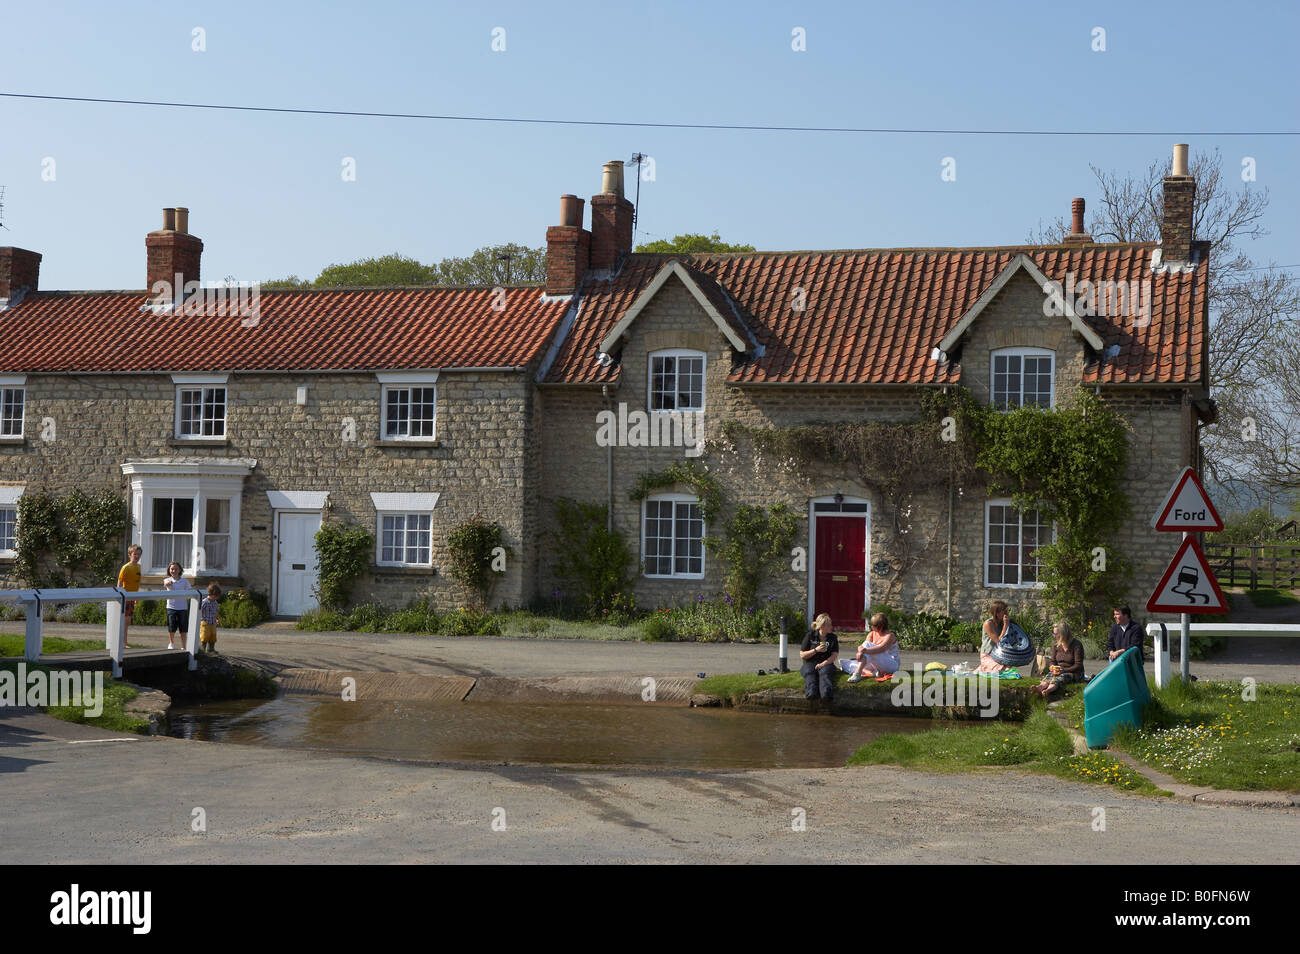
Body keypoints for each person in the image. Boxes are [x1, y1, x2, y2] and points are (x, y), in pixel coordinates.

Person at [1030, 621, 1085, 697]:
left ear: (1063, 634)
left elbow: (1078, 665)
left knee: (1061, 677)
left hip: (1075, 672)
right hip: (1059, 670)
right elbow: (1052, 661)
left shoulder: (1076, 645)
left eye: (1056, 634)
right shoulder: (1056, 644)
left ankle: (1047, 691)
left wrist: (1063, 670)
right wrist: (1052, 666)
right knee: (1049, 676)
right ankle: (1040, 687)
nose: (1054, 636)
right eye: (1053, 633)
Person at [846, 612, 900, 682]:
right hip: (876, 664)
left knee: (867, 647)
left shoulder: (890, 635)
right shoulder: (871, 634)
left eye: (873, 625)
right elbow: (863, 646)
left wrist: (863, 651)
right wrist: (860, 651)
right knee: (847, 663)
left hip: (891, 664)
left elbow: (881, 649)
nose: (871, 626)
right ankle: (874, 673)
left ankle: (857, 673)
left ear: (880, 626)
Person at [800, 613, 840, 705]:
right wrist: (815, 650)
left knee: (825, 672)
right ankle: (811, 694)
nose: (831, 627)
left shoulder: (832, 637)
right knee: (809, 672)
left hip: (826, 662)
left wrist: (824, 663)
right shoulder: (810, 635)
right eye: (829, 625)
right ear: (822, 626)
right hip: (810, 662)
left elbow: (834, 655)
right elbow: (802, 655)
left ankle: (826, 696)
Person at [116, 544, 143, 649]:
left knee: (128, 621)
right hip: (125, 597)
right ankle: (123, 642)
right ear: (129, 555)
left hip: (132, 597)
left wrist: (136, 596)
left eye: (139, 555)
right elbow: (119, 582)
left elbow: (137, 583)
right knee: (125, 621)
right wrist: (120, 596)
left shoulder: (139, 567)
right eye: (135, 554)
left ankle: (124, 642)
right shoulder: (126, 567)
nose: (137, 556)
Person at [162, 561, 193, 651]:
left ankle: (183, 646)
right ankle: (171, 643)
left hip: (182, 608)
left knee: (183, 628)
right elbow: (166, 584)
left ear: (179, 570)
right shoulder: (167, 580)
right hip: (171, 607)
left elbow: (189, 591)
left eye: (176, 569)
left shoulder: (184, 581)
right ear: (169, 570)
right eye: (172, 569)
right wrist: (168, 584)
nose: (174, 570)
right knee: (171, 626)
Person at [977, 600, 1011, 673]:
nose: (1006, 613)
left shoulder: (1002, 623)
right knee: (1000, 669)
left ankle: (985, 668)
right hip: (988, 654)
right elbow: (998, 641)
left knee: (1008, 667)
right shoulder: (988, 624)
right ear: (997, 613)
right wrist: (1005, 625)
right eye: (1003, 611)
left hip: (998, 654)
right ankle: (983, 668)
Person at [199, 583, 221, 654]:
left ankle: (210, 649)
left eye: (216, 597)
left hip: (213, 622)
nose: (216, 598)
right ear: (210, 594)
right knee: (205, 636)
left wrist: (217, 619)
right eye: (215, 596)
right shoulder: (204, 602)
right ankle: (202, 649)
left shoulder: (215, 603)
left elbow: (216, 612)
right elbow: (199, 611)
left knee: (213, 636)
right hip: (205, 622)